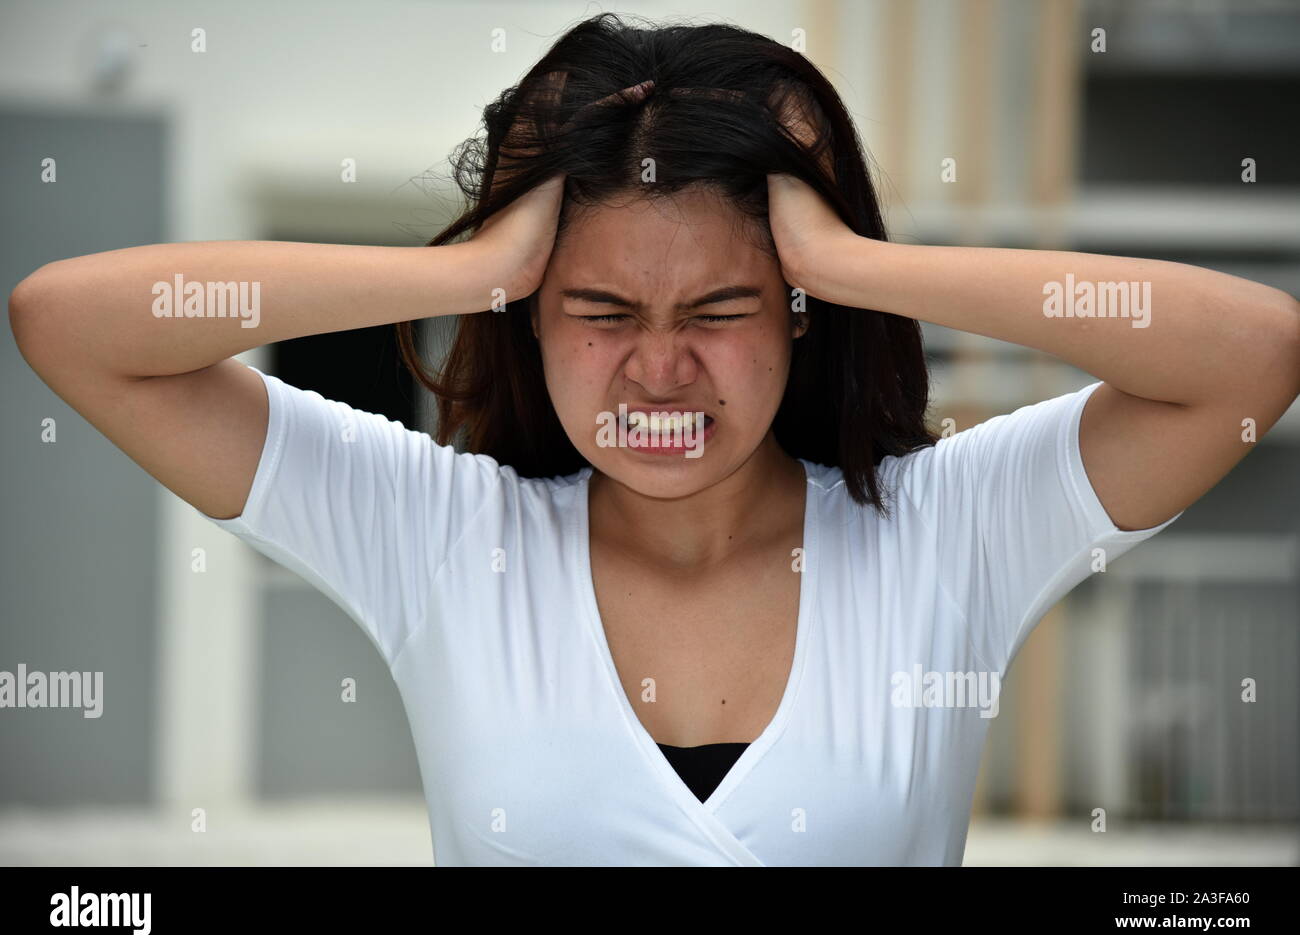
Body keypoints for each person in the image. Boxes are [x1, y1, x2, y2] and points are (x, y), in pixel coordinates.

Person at [9, 13, 1297, 865]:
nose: (660, 367)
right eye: (602, 310)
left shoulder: (948, 531)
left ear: (803, 314)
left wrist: (854, 259)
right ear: (529, 313)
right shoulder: (443, 535)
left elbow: (1251, 359)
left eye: (724, 308)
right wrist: (471, 268)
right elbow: (70, 323)